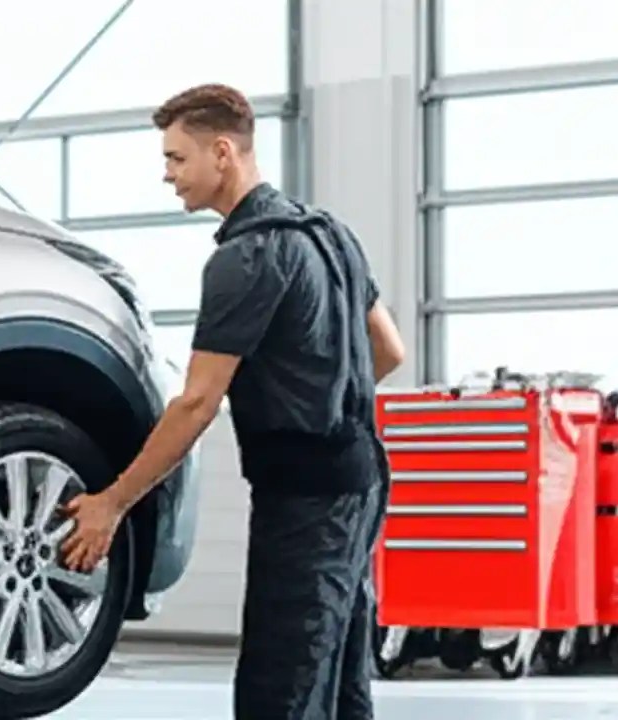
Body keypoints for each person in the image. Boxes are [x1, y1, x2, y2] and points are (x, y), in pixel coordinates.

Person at [59, 82, 407, 719]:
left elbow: (195, 405)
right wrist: (321, 392)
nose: (167, 176)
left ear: (222, 152)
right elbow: (387, 349)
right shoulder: (329, 234)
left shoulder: (246, 258)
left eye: (175, 159)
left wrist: (111, 502)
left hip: (304, 497)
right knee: (341, 676)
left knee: (284, 682)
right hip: (359, 478)